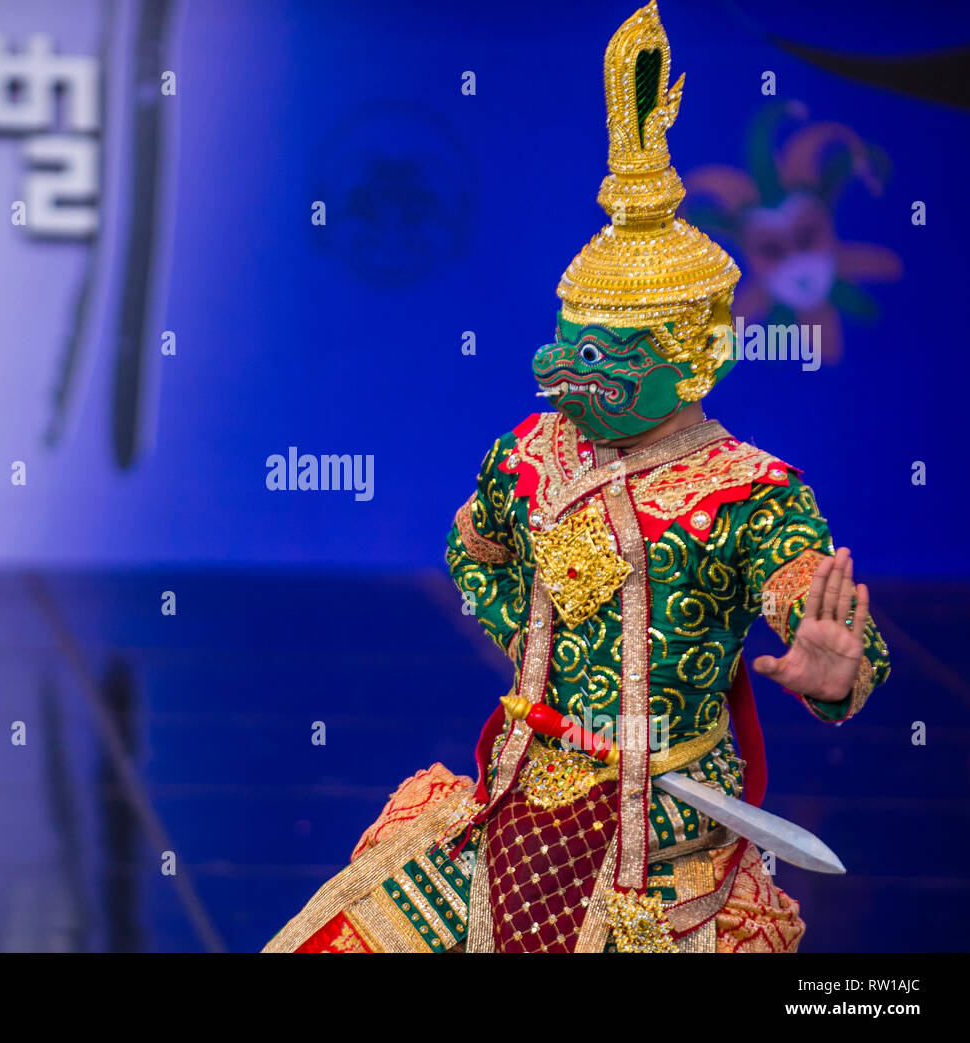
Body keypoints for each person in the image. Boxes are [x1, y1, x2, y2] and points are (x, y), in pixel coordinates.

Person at [264, 0, 889, 954]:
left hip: (663, 849)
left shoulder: (750, 490)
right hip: (516, 803)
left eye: (605, 355)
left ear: (695, 357)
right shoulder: (531, 450)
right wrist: (539, 648)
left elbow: (813, 601)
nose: (569, 377)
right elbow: (471, 542)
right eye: (566, 349)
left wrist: (834, 671)